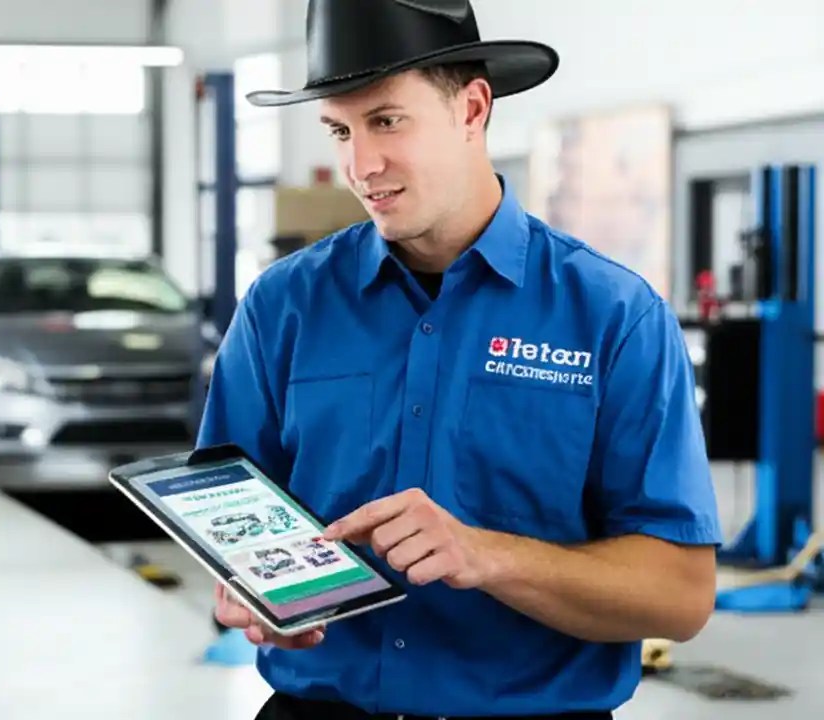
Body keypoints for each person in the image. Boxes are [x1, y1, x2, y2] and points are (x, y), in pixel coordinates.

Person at [201, 1, 721, 718]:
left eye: (386, 120)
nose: (360, 165)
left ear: (472, 108)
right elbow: (227, 519)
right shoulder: (281, 306)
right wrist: (249, 588)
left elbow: (681, 595)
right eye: (339, 129)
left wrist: (485, 556)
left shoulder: (613, 317)